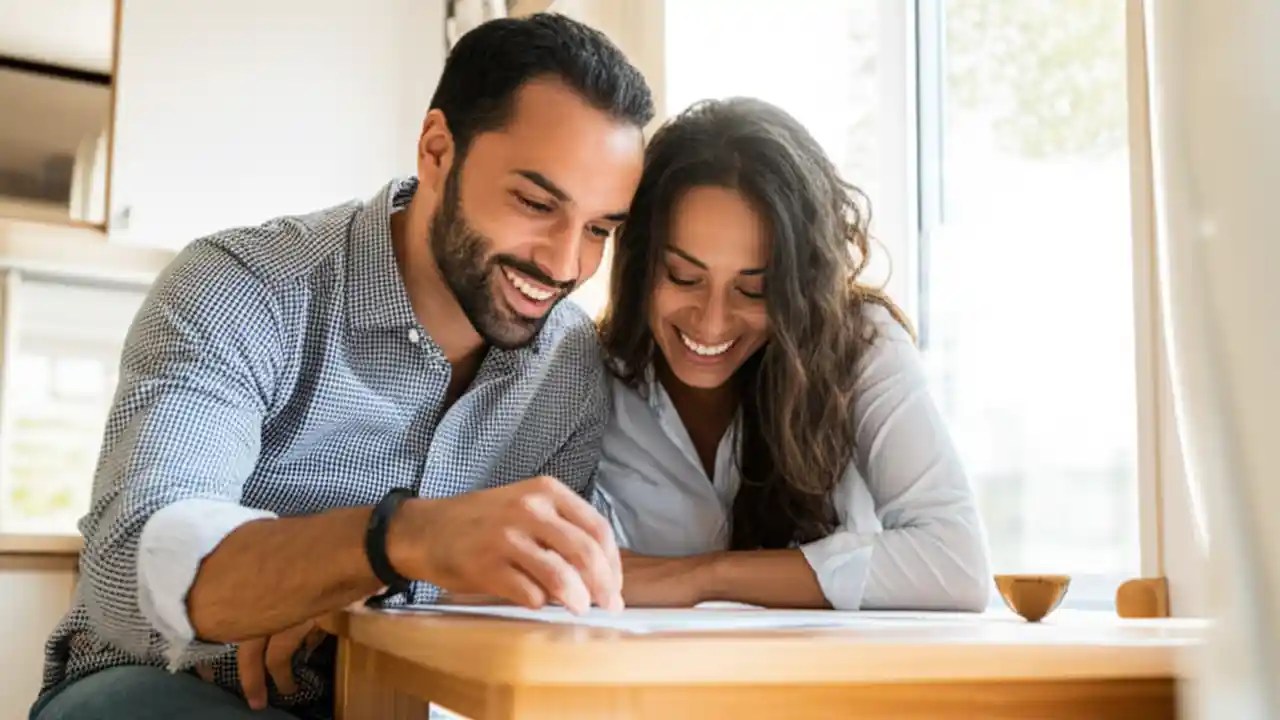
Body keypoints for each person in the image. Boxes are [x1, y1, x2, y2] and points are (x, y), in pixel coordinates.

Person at [32, 14, 652, 720]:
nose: (566, 263)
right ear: (437, 150)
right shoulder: (245, 288)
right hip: (166, 691)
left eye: (600, 229)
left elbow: (533, 599)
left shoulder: (570, 365)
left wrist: (341, 593)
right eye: (536, 203)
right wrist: (397, 540)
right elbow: (136, 562)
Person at [596, 98, 991, 612]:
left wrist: (699, 577)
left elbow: (956, 566)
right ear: (638, 261)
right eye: (684, 278)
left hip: (828, 687)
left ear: (798, 289)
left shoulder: (858, 349)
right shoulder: (591, 376)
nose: (712, 322)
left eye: (754, 290)